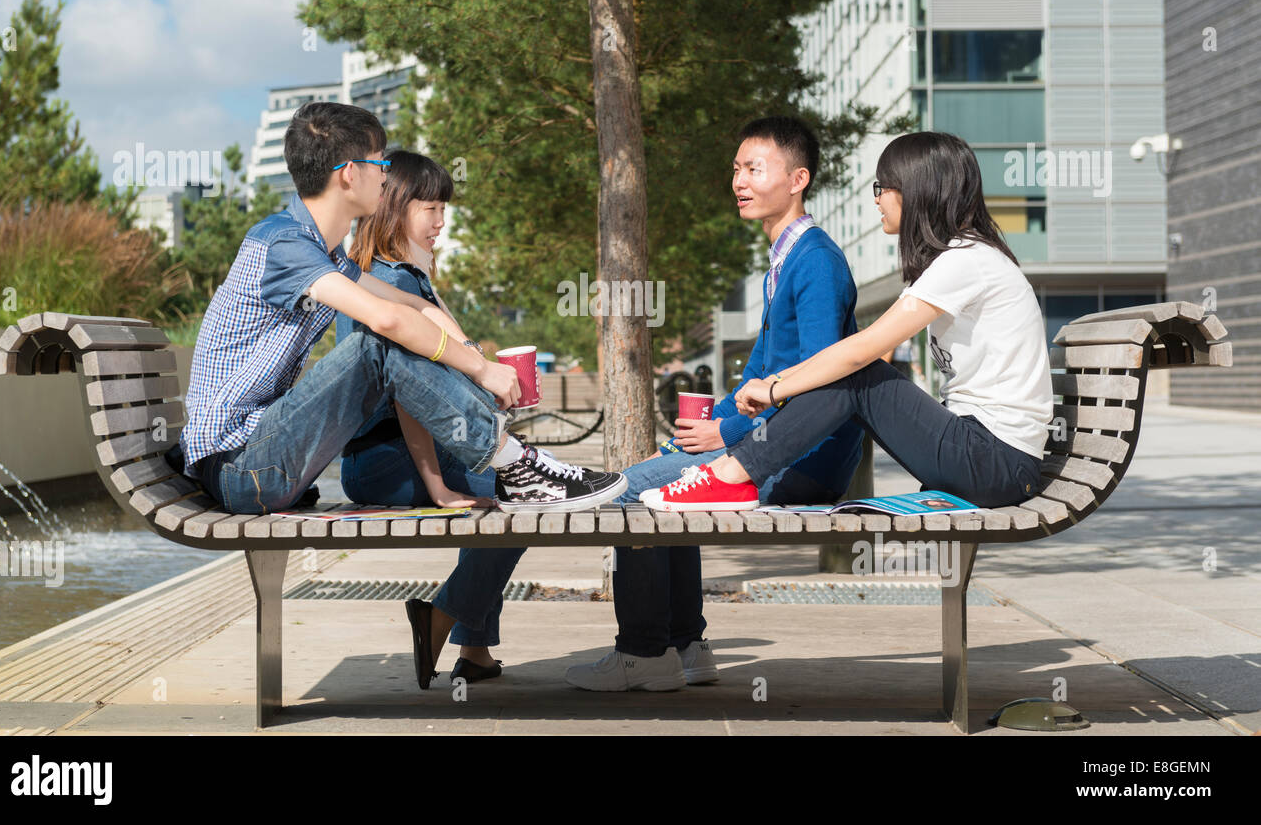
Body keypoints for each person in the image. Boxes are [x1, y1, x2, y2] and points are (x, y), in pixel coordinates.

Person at [177, 101, 625, 690]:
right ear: (348, 174)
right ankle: (513, 465)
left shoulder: (320, 249)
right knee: (376, 348)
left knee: (388, 340)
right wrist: (481, 370)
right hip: (243, 468)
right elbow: (387, 322)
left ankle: (509, 476)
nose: (386, 176)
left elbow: (408, 306)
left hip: (260, 460)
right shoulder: (281, 245)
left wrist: (462, 339)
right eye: (379, 163)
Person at [565, 116, 865, 692]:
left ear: (798, 178)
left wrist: (727, 436)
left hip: (801, 460)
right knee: (666, 478)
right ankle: (685, 646)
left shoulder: (817, 262)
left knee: (630, 491)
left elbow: (821, 383)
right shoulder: (785, 260)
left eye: (754, 168)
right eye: (736, 169)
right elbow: (760, 372)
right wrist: (707, 426)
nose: (739, 181)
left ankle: (645, 652)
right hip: (772, 448)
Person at [637, 131, 1052, 533]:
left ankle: (731, 475)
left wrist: (776, 389)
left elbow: (865, 349)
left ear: (918, 189)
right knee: (853, 371)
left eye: (883, 187)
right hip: (980, 454)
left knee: (857, 372)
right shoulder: (954, 260)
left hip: (997, 462)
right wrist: (770, 386)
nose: (876, 199)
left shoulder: (968, 259)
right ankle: (729, 476)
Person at [336, 148, 528, 687]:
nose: (441, 221)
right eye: (430, 208)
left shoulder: (399, 274)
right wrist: (437, 486)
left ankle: (475, 650)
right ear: (394, 208)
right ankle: (443, 616)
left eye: (444, 208)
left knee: (508, 490)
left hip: (390, 453)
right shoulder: (391, 284)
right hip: (382, 460)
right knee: (515, 497)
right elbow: (407, 397)